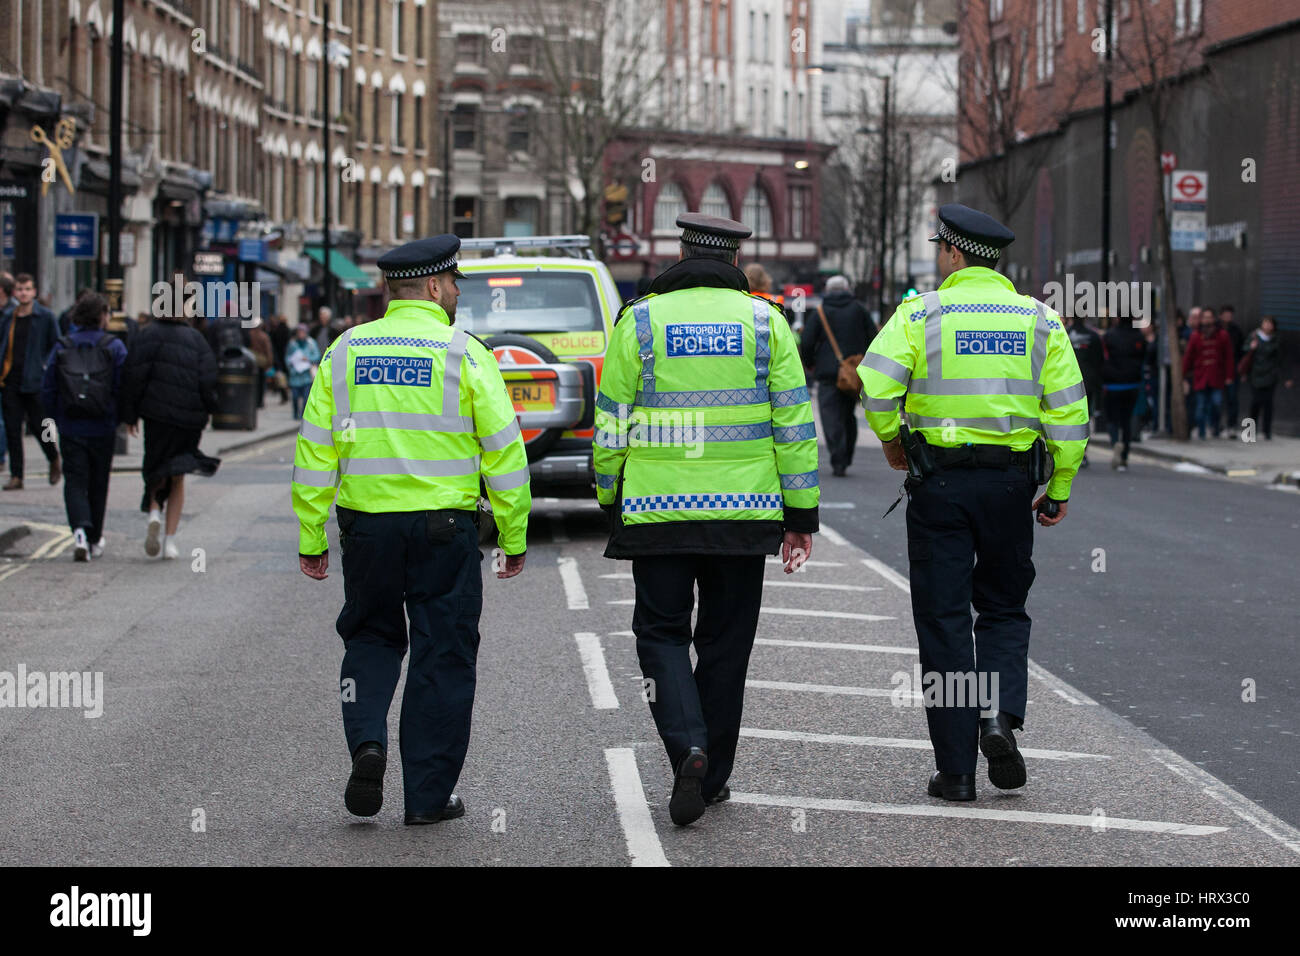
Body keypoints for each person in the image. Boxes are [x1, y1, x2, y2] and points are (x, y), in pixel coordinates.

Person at [292, 234, 532, 826]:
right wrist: (513, 533)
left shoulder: (344, 352)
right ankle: (426, 798)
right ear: (431, 286)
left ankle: (368, 742)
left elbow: (314, 450)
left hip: (367, 529)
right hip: (444, 531)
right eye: (452, 284)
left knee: (370, 640)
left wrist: (311, 534)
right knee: (442, 656)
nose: (455, 294)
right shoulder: (466, 354)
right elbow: (504, 452)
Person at [594, 212, 820, 827]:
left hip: (656, 513)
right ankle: (713, 776)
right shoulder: (767, 322)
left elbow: (611, 419)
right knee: (726, 646)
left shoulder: (637, 321)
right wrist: (799, 516)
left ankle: (686, 745)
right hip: (744, 517)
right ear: (736, 260)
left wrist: (609, 494)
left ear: (683, 252)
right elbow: (795, 428)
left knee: (661, 636)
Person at [859, 203, 1087, 802]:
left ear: (954, 254)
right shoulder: (1042, 321)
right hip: (1012, 488)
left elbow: (874, 385)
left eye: (941, 249)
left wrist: (892, 443)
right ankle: (1000, 717)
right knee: (1005, 610)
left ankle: (956, 771)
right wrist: (1057, 488)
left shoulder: (921, 313)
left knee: (944, 622)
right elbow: (1070, 416)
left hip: (939, 487)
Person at [119, 293, 221, 560]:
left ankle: (154, 513)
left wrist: (130, 416)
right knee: (178, 476)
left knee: (156, 469)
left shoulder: (146, 334)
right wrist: (211, 409)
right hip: (188, 419)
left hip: (156, 417)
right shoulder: (197, 339)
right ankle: (170, 542)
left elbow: (132, 376)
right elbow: (208, 380)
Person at [40, 293, 127, 561]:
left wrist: (55, 417)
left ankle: (78, 531)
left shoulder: (62, 345)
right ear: (102, 315)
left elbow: (48, 387)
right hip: (103, 426)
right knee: (99, 482)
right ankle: (94, 540)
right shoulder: (114, 347)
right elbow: (124, 386)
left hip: (71, 425)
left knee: (75, 481)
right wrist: (121, 417)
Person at [800, 274, 876, 476]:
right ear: (847, 289)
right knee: (848, 414)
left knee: (830, 416)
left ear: (828, 291)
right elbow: (874, 338)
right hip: (854, 373)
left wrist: (811, 364)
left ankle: (838, 456)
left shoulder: (820, 312)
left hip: (827, 373)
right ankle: (847, 454)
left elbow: (807, 341)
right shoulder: (859, 309)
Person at [0, 273, 62, 489]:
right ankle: (17, 475)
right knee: (12, 430)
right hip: (10, 381)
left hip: (35, 381)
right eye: (20, 289)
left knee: (40, 427)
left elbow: (56, 345)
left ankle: (53, 457)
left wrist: (45, 366)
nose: (23, 293)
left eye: (27, 289)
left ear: (34, 292)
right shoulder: (9, 316)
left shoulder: (45, 316)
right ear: (15, 292)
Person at [1101, 316, 1147, 470]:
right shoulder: (1139, 337)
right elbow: (1143, 358)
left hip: (1112, 384)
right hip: (1132, 383)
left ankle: (1115, 443)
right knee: (1126, 420)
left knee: (1112, 419)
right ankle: (1125, 455)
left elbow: (1103, 358)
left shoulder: (1109, 336)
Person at [1182, 308, 1234, 440]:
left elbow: (1228, 357)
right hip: (1201, 376)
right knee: (1201, 406)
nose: (1207, 320)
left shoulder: (1222, 335)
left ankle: (1215, 427)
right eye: (1204, 317)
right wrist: (1182, 374)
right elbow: (1188, 357)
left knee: (1216, 404)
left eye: (1209, 317)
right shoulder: (1195, 335)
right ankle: (1201, 431)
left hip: (1217, 376)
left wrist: (1229, 376)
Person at [1242, 316, 1292, 441]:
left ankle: (1266, 432)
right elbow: (1244, 351)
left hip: (1270, 376)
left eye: (1270, 324)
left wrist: (1287, 377)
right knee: (1255, 404)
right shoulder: (1254, 336)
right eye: (1265, 323)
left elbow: (1282, 359)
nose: (1267, 326)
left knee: (1268, 404)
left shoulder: (1277, 339)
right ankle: (1250, 432)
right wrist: (1251, 347)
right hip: (1255, 374)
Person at [1067, 309, 1103, 468]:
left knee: (1066, 418)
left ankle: (1068, 452)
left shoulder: (1063, 333)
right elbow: (1099, 361)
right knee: (1084, 418)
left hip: (1065, 382)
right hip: (1087, 383)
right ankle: (1083, 453)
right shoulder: (1093, 336)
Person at [285, 324, 321, 420]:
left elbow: (317, 356)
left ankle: (303, 415)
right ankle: (295, 414)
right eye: (299, 332)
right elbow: (287, 358)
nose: (301, 334)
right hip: (295, 375)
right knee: (295, 397)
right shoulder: (292, 344)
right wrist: (291, 364)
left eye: (303, 332)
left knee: (306, 397)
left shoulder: (311, 343)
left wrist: (308, 359)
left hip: (306, 375)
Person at [1220, 305, 1244, 436]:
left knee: (1232, 398)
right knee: (1217, 400)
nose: (1228, 317)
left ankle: (1231, 425)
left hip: (1233, 369)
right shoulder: (1215, 330)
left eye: (1230, 314)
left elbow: (1241, 351)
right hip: (1218, 369)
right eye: (1226, 314)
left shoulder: (1236, 330)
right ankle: (1217, 425)